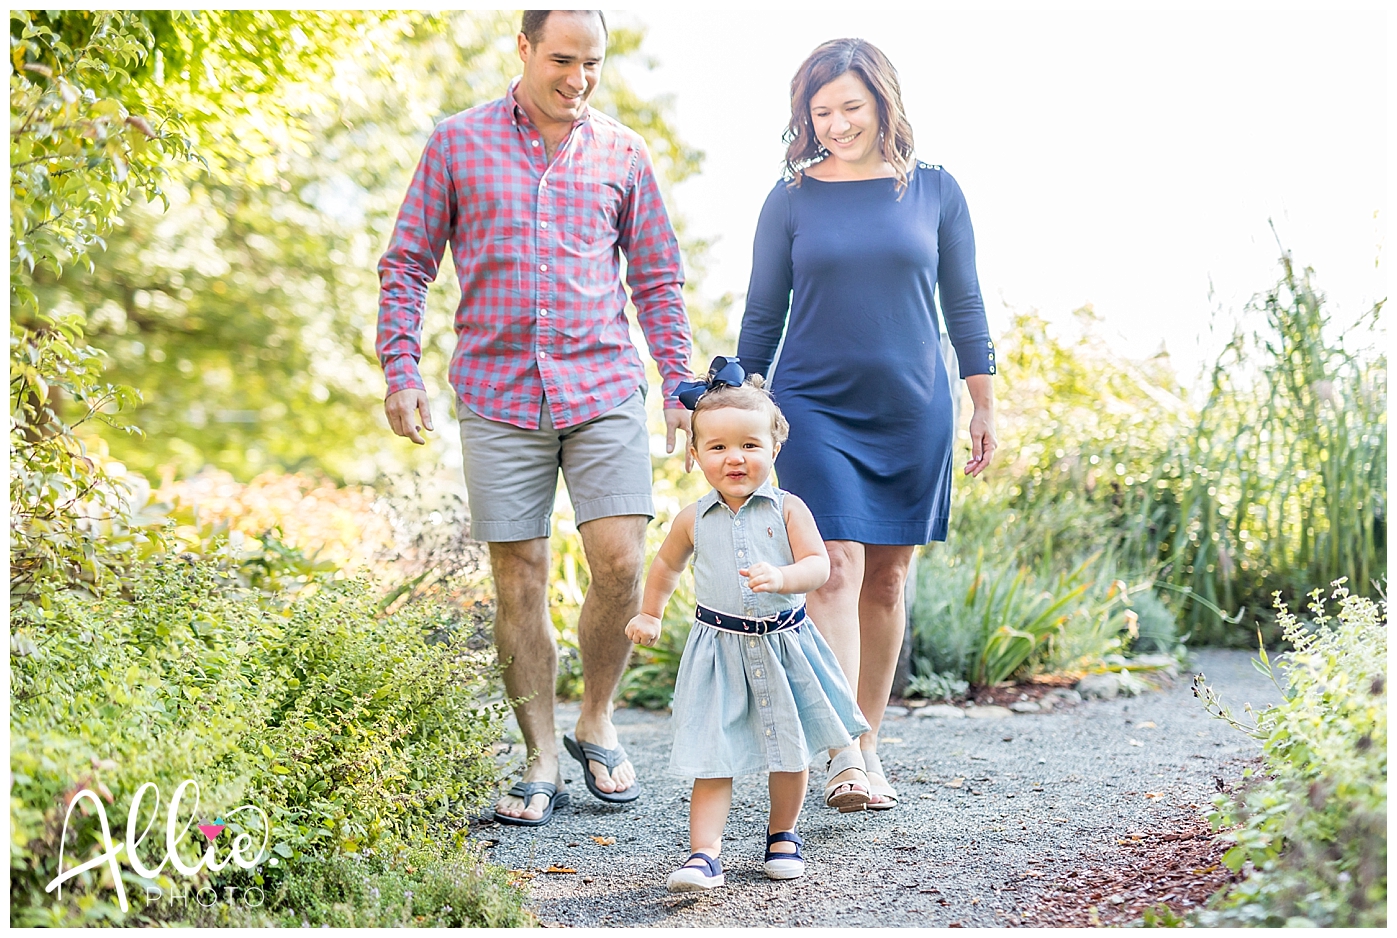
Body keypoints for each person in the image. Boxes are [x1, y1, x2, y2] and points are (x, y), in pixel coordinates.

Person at [376, 9, 693, 826]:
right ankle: (540, 751)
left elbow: (656, 280)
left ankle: (596, 718)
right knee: (517, 571)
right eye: (562, 60)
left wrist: (680, 386)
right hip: (497, 389)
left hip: (603, 386)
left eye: (592, 63)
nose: (578, 79)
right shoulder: (456, 141)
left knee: (620, 561)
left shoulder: (624, 150)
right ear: (521, 49)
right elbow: (407, 262)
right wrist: (399, 369)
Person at [736, 38, 998, 813]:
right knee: (837, 567)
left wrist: (983, 400)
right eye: (820, 112)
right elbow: (760, 316)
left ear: (882, 102)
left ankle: (870, 744)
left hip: (913, 407)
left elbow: (966, 305)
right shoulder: (788, 199)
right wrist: (739, 415)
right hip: (812, 406)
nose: (836, 124)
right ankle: (843, 754)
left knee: (886, 579)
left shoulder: (936, 192)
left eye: (850, 107)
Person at [626, 359, 870, 892]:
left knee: (790, 747)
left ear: (774, 447)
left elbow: (819, 566)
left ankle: (783, 835)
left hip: (785, 645)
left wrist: (783, 576)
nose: (735, 457)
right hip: (719, 648)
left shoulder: (788, 509)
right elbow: (666, 566)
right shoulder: (692, 517)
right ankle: (703, 854)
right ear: (695, 454)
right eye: (717, 447)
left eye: (750, 446)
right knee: (714, 754)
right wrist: (649, 611)